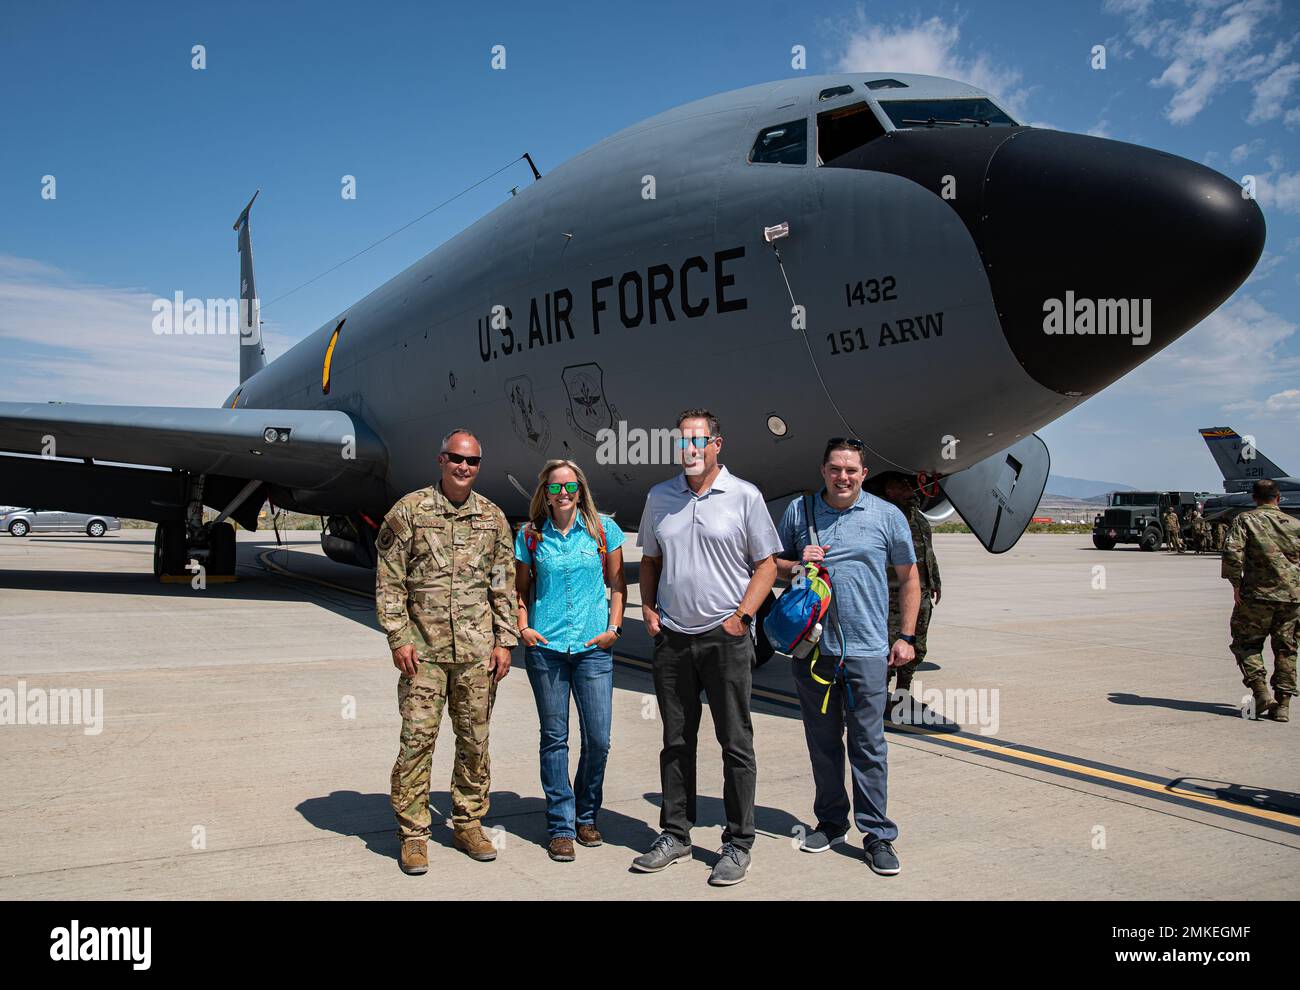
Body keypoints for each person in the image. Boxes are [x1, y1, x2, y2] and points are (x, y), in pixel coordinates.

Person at [631, 409, 782, 886]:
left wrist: (742, 618)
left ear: (718, 444)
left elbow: (767, 565)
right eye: (682, 442)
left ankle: (738, 843)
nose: (690, 449)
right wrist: (649, 609)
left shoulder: (744, 496)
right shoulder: (660, 497)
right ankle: (675, 834)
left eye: (699, 441)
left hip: (726, 638)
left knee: (735, 743)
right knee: (676, 742)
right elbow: (650, 559)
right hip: (673, 638)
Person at [375, 429, 518, 875]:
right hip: (424, 653)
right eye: (456, 458)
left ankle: (468, 822)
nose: (464, 467)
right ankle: (414, 834)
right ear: (441, 459)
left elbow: (503, 584)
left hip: (477, 654)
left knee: (475, 742)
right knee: (417, 741)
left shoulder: (493, 518)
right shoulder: (410, 511)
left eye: (472, 461)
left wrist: (505, 641)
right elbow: (389, 580)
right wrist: (398, 637)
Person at [776, 439, 920, 875]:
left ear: (863, 473)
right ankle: (831, 822)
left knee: (869, 745)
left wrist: (906, 636)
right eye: (836, 469)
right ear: (823, 470)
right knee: (822, 743)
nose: (843, 477)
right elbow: (770, 566)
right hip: (814, 651)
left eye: (851, 470)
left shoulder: (886, 516)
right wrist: (798, 565)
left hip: (868, 651)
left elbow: (910, 578)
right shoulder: (799, 513)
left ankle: (877, 834)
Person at [515, 460, 626, 862]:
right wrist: (524, 627)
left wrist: (615, 628)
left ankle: (587, 813)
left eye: (570, 487)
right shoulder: (529, 536)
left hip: (593, 649)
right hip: (546, 649)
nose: (563, 494)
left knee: (598, 740)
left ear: (581, 490)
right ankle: (561, 826)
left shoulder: (602, 531)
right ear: (544, 492)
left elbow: (617, 584)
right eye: (555, 488)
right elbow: (520, 589)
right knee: (554, 738)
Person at [1222, 480, 1299, 722]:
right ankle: (1283, 705)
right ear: (1278, 498)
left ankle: (1262, 692)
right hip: (1292, 597)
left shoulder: (1246, 520)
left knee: (1246, 643)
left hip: (1257, 595)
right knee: (1287, 649)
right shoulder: (1296, 524)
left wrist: (1236, 585)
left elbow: (1232, 553)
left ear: (1254, 498)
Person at [880, 472, 941, 707]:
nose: (907, 488)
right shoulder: (888, 516)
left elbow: (928, 552)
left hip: (922, 592)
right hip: (895, 593)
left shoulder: (918, 517)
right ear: (888, 491)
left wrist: (935, 581)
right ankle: (880, 694)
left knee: (917, 645)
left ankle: (902, 694)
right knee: (889, 645)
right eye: (900, 484)